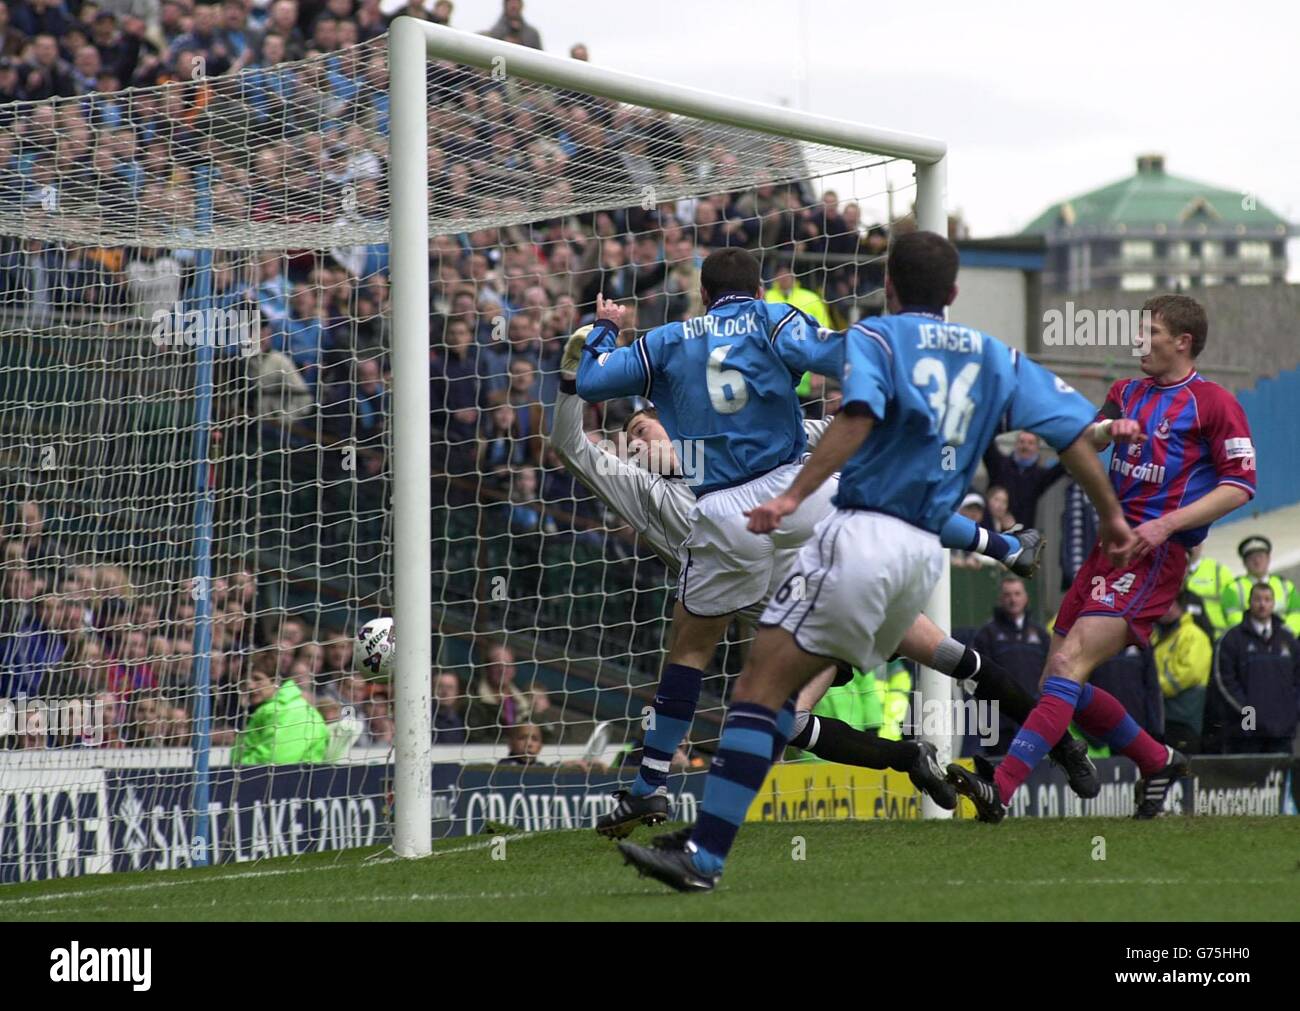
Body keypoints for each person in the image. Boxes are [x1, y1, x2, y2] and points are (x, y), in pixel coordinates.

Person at [617, 230, 1130, 891]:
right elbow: (1071, 435)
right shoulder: (994, 356)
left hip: (861, 541)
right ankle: (708, 841)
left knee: (760, 688)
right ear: (952, 293)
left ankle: (705, 852)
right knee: (799, 688)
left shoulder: (876, 340)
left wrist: (793, 494)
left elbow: (855, 418)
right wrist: (1112, 513)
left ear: (888, 286)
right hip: (921, 556)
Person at [553, 347, 1086, 827]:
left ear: (673, 430)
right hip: (789, 624)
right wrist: (572, 381)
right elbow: (568, 443)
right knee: (785, 721)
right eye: (630, 440)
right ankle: (908, 759)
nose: (635, 445)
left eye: (645, 431)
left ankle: (1061, 743)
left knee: (954, 658)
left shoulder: (736, 455)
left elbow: (832, 433)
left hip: (845, 580)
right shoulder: (641, 491)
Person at [952, 293, 1256, 823]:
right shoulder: (1126, 391)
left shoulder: (1213, 404)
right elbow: (1084, 441)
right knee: (1059, 682)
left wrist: (1168, 524)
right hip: (1106, 551)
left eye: (1151, 333)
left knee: (1069, 667)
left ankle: (999, 788)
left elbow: (1240, 485)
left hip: (1155, 557)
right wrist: (1103, 431)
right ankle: (1156, 760)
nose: (1139, 340)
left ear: (1182, 343)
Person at [1215, 583, 1300, 754]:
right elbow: (1225, 682)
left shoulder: (1288, 639)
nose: (1262, 604)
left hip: (1281, 730)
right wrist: (1248, 711)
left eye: (1267, 600)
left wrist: (1292, 711)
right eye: (1258, 599)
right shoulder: (1232, 639)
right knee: (1249, 779)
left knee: (1281, 779)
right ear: (1249, 602)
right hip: (1247, 731)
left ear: (1273, 604)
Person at [972, 576, 1050, 755]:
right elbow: (978, 678)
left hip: (1032, 719)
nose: (1013, 599)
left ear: (1026, 598)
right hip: (1000, 724)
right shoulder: (987, 635)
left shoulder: (1041, 635)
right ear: (1000, 599)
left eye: (1017, 594)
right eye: (1007, 595)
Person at [231, 650, 330, 765]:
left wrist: (239, 766)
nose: (250, 686)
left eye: (257, 679)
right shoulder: (269, 708)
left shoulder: (293, 710)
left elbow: (277, 762)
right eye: (244, 681)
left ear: (275, 681)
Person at [1150, 590, 1212, 753]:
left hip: (1183, 718)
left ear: (1180, 606)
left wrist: (1153, 689)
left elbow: (1188, 673)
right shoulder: (1157, 635)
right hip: (1163, 717)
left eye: (1167, 604)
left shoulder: (1194, 635)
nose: (1163, 609)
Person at [983, 430, 1066, 530]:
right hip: (990, 530)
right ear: (1016, 444)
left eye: (1030, 443)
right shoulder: (1000, 465)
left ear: (1037, 448)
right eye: (1022, 442)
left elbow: (1064, 464)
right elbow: (987, 442)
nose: (1025, 446)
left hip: (1021, 536)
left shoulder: (1039, 476)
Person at [1222, 536, 1300, 636]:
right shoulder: (1233, 588)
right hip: (1248, 641)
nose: (1257, 561)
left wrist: (1284, 633)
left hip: (1284, 639)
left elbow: (1296, 613)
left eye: (1260, 556)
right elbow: (1233, 617)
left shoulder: (1286, 585)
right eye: (1252, 558)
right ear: (1244, 562)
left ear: (1268, 559)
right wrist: (1258, 634)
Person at [1184, 543, 1233, 637]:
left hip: (1216, 638)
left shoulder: (1219, 571)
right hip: (1182, 640)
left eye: (1195, 542)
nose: (1191, 546)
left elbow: (1232, 610)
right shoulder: (1171, 571)